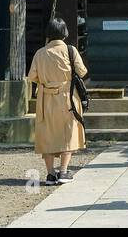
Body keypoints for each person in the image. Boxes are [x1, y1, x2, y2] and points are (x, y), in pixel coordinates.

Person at [26, 17, 87, 186]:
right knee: (68, 134)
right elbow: (82, 72)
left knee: (47, 135)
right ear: (64, 32)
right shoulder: (70, 50)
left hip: (46, 98)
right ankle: (64, 171)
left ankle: (50, 174)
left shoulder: (40, 53)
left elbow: (32, 76)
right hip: (67, 97)